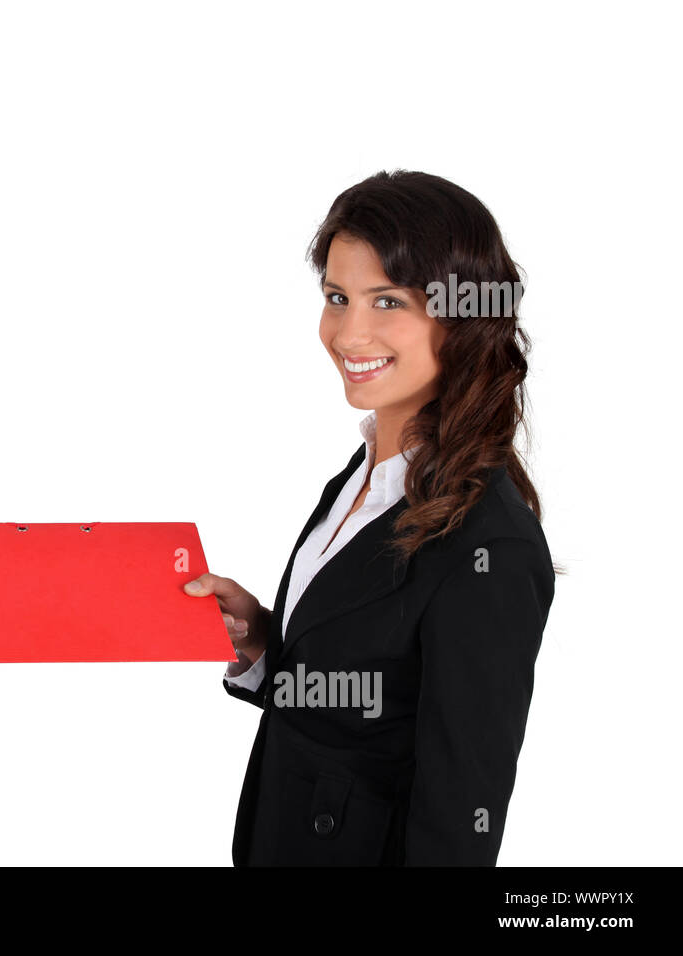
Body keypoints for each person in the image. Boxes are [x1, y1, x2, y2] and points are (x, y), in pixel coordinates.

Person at [184, 170, 558, 865]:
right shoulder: (362, 476)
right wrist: (263, 643)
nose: (349, 332)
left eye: (388, 300)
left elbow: (460, 814)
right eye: (337, 297)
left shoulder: (490, 543)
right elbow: (360, 709)